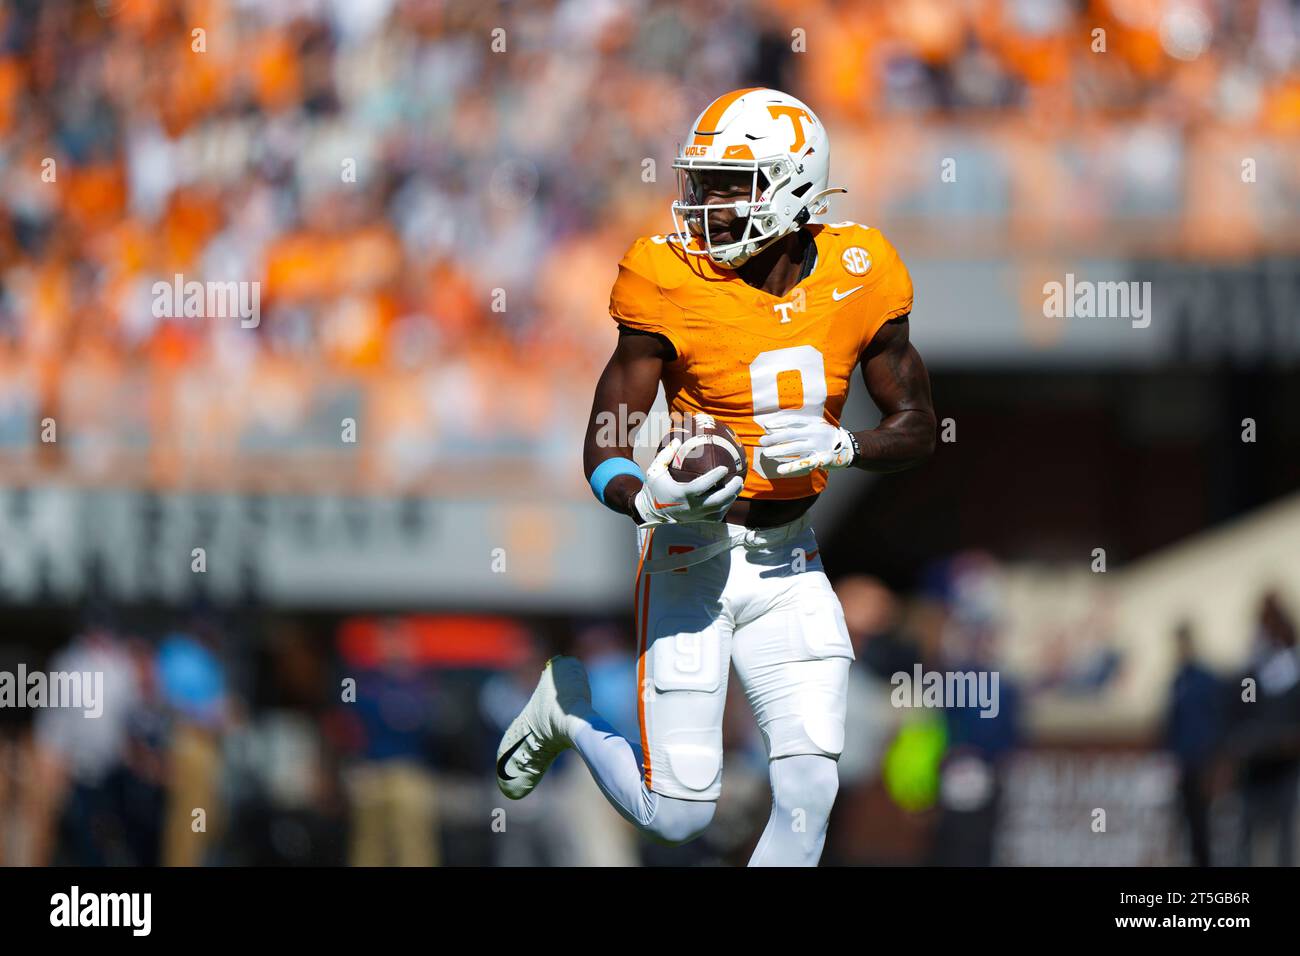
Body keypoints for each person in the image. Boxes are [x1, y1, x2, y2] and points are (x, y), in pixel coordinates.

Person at [496, 88, 936, 866]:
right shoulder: (667, 277)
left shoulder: (861, 269)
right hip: (691, 558)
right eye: (702, 182)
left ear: (795, 184)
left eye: (732, 185)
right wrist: (647, 500)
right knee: (677, 815)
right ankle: (568, 714)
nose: (709, 204)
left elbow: (918, 426)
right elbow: (607, 437)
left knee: (808, 793)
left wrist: (846, 447)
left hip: (792, 561)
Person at [1163, 621, 1224, 866]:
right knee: (1185, 824)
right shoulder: (1178, 681)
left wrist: (1216, 762)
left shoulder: (1206, 680)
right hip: (1184, 765)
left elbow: (1218, 721)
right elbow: (1171, 724)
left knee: (1204, 827)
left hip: (1204, 764)